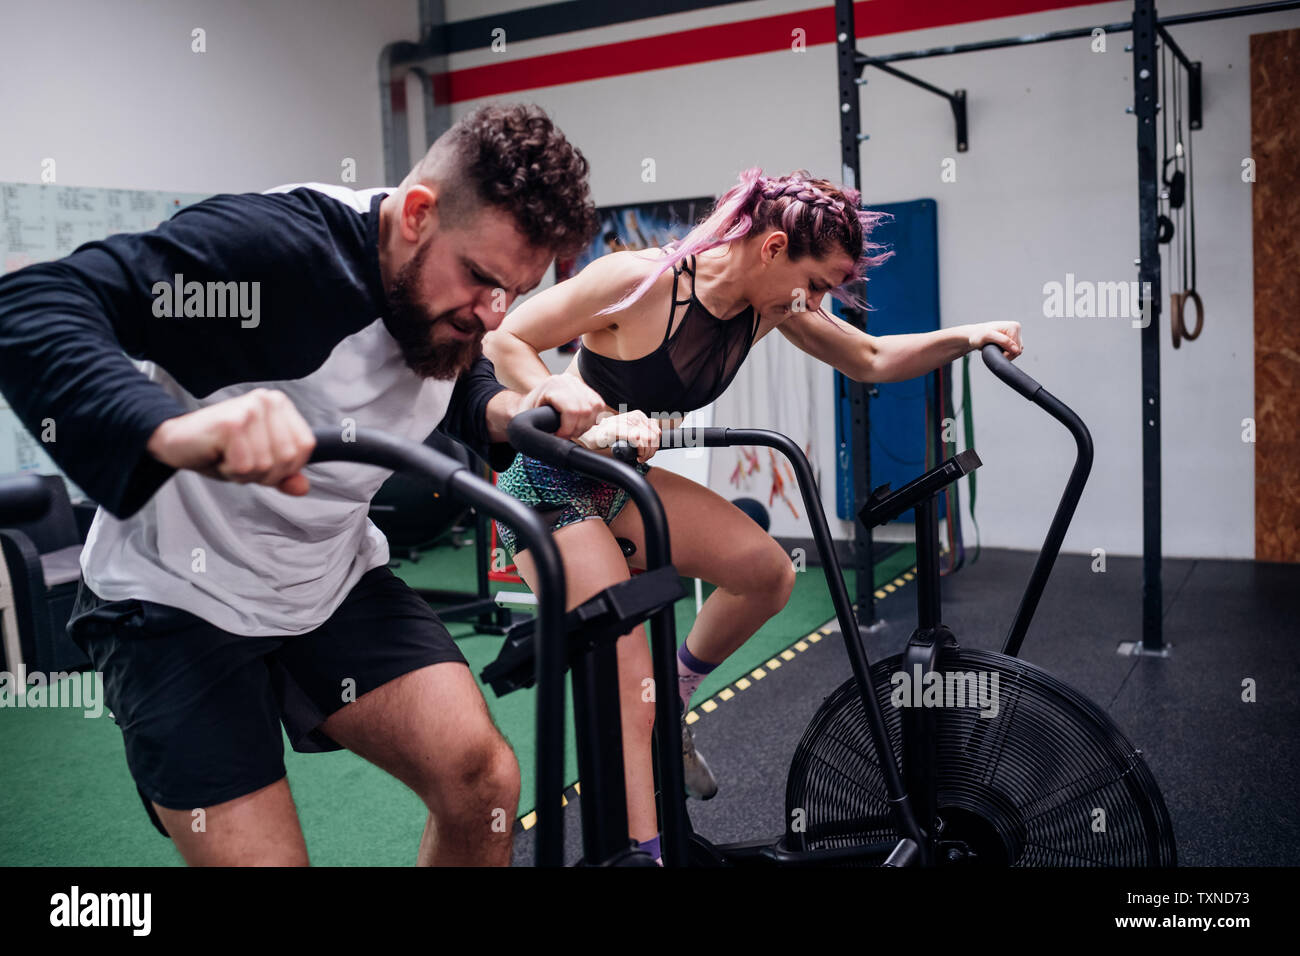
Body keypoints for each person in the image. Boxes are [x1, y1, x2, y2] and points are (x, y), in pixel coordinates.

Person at [0, 103, 610, 865]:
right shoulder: (273, 250)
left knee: (481, 782)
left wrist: (507, 409)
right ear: (417, 213)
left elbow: (453, 372)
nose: (492, 315)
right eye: (483, 281)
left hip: (328, 583)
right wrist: (167, 429)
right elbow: (32, 305)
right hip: (174, 602)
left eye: (511, 294)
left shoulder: (440, 300)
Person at [484, 167, 1023, 862]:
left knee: (766, 574)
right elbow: (504, 342)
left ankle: (676, 702)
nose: (819, 300)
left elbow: (868, 357)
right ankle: (646, 853)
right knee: (626, 682)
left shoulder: (772, 308)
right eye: (819, 283)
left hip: (622, 483)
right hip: (550, 481)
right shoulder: (639, 279)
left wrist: (970, 336)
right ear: (772, 248)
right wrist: (566, 399)